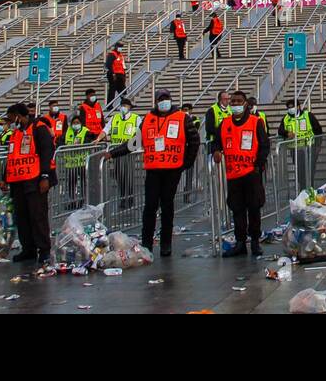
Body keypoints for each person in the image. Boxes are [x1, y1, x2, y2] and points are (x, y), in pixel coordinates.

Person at [111, 89, 199, 257]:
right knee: (149, 207)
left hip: (172, 169)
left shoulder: (182, 117)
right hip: (153, 169)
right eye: (160, 99)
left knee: (167, 205)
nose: (163, 101)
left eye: (166, 98)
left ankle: (166, 244)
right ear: (156, 101)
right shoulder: (148, 119)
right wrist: (112, 153)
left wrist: (187, 162)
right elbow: (134, 143)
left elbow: (194, 140)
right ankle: (147, 243)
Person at [0, 103, 56, 264]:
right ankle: (28, 249)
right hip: (18, 181)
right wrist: (5, 178)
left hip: (35, 180)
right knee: (22, 217)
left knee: (38, 216)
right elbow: (12, 157)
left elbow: (47, 152)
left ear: (19, 115)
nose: (11, 121)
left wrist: (45, 176)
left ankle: (44, 250)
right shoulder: (16, 133)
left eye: (12, 118)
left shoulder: (39, 128)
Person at [215, 89, 269, 256]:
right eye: (233, 102)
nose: (236, 104)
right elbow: (216, 143)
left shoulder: (255, 122)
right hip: (233, 174)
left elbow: (264, 145)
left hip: (251, 173)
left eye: (239, 101)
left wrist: (257, 165)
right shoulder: (224, 124)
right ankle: (240, 242)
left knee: (254, 207)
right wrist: (216, 151)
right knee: (237, 209)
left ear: (245, 104)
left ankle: (254, 241)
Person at [107, 99, 140, 209]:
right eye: (122, 105)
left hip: (128, 152)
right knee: (119, 177)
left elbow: (140, 132)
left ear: (130, 107)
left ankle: (130, 199)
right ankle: (122, 198)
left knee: (128, 177)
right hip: (116, 152)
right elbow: (106, 129)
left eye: (126, 105)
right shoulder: (115, 118)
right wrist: (98, 138)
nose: (124, 107)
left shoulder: (136, 118)